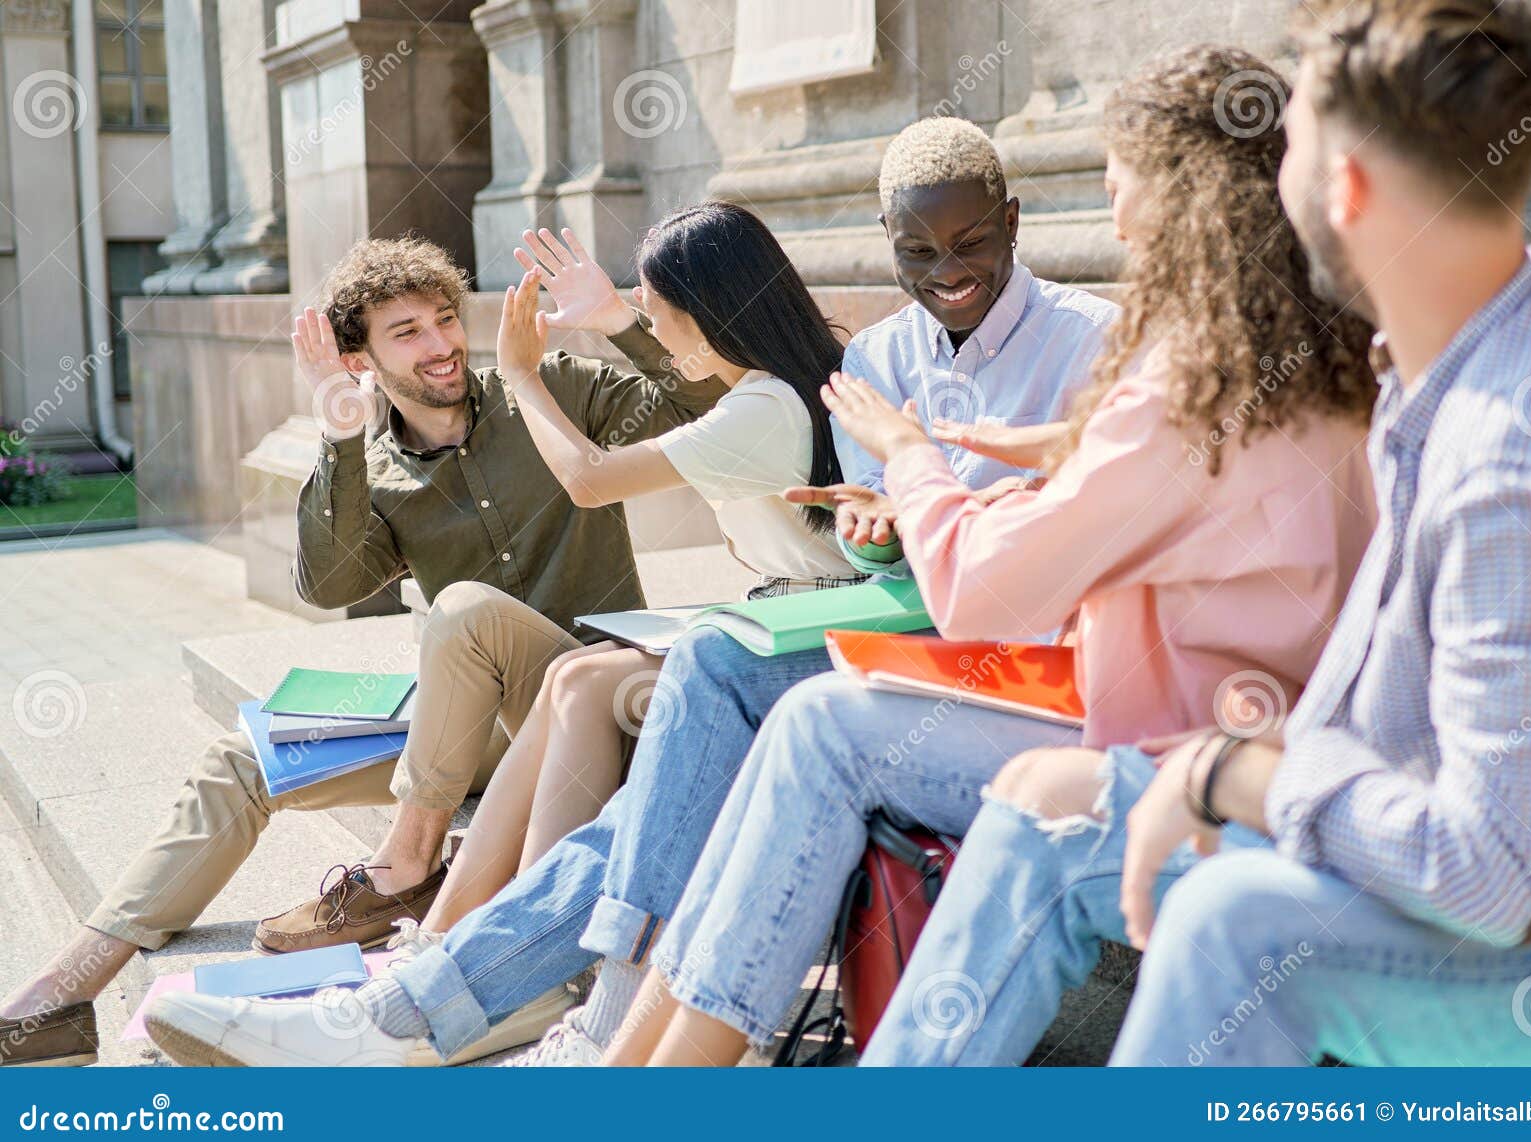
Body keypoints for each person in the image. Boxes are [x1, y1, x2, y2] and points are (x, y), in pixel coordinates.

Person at [137, 117, 1119, 1067]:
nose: (944, 268)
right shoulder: (878, 358)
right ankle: (416, 999)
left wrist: (927, 494)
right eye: (915, 249)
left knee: (684, 709)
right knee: (665, 741)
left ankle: (493, 1003)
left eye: (970, 241)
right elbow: (896, 551)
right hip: (891, 639)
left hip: (1015, 672)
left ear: (1016, 219)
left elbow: (1051, 555)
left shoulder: (1093, 343)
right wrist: (883, 526)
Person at [599, 44, 1381, 1068]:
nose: (1112, 215)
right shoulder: (1319, 354)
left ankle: (645, 1074)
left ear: (1181, 202)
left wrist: (918, 458)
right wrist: (1029, 465)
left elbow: (979, 588)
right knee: (798, 718)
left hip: (1175, 752)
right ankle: (628, 1068)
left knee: (820, 729)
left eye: (1118, 185)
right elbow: (1172, 491)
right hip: (1228, 728)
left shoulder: (1179, 374)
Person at [0, 235, 724, 1068]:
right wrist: (340, 435)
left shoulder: (554, 387)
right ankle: (60, 993)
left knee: (463, 611)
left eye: (447, 319)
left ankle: (407, 864)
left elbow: (702, 408)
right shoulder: (374, 464)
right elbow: (331, 579)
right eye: (407, 331)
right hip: (481, 732)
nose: (442, 343)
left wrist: (619, 319)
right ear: (361, 358)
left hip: (588, 711)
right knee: (246, 756)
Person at [1101, 0, 1531, 1067]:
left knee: (1227, 923)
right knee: (1054, 835)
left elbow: (1488, 874)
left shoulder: (1514, 462)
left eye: (1292, 147)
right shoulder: (1502, 332)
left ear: (1347, 188)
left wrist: (1227, 773)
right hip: (1469, 867)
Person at [400, 203, 862, 948]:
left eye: (655, 308)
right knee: (572, 677)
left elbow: (588, 478)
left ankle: (521, 945)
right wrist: (614, 316)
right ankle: (451, 936)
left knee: (583, 684)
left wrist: (521, 376)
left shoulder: (762, 410)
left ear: (707, 315)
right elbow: (687, 384)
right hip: (789, 620)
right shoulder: (780, 379)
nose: (647, 321)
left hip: (814, 641)